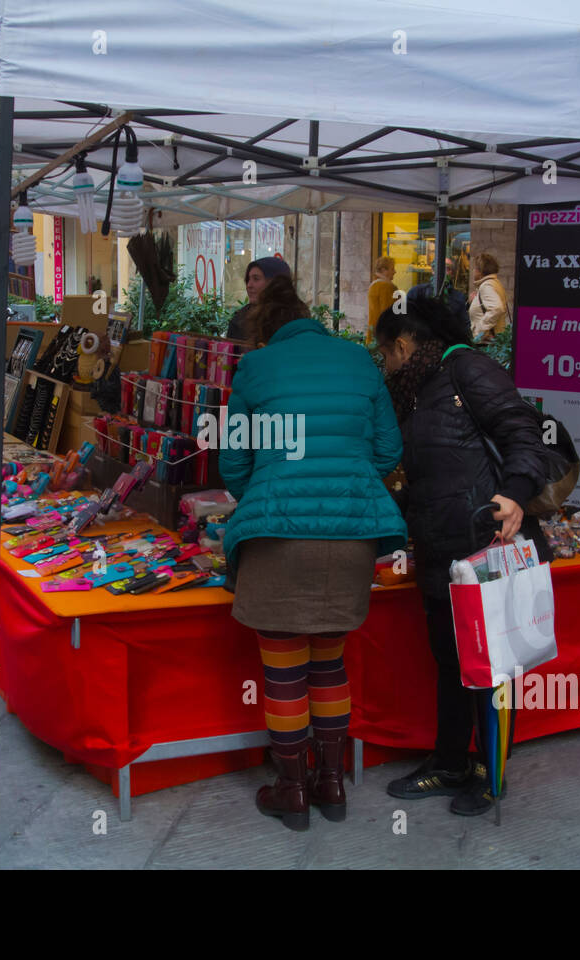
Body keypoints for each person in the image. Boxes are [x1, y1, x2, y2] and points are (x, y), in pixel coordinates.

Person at [220, 274, 407, 831]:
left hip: (279, 533)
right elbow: (388, 451)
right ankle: (331, 782)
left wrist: (278, 482)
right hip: (352, 535)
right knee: (328, 660)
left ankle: (291, 787)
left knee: (282, 669)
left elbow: (234, 465)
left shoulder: (255, 369)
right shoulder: (358, 361)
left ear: (265, 332)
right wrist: (342, 483)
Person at [375, 294, 552, 816]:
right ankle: (450, 762)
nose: (384, 363)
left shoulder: (468, 369)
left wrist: (516, 492)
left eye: (385, 352)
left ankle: (490, 776)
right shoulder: (415, 388)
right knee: (450, 663)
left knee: (491, 666)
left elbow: (525, 433)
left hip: (486, 547)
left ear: (405, 345)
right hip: (438, 550)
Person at [226, 256, 290, 341]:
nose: (249, 285)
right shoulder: (240, 320)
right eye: (248, 279)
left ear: (276, 283)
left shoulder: (293, 318)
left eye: (256, 279)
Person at [468, 252, 510, 342]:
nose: (473, 271)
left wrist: (480, 331)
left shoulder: (487, 286)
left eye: (474, 268)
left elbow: (496, 308)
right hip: (492, 341)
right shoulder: (494, 283)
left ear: (480, 271)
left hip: (487, 343)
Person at [367, 256, 398, 343]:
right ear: (384, 270)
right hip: (384, 336)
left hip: (375, 333)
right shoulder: (385, 287)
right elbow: (388, 314)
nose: (395, 272)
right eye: (392, 269)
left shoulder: (375, 284)